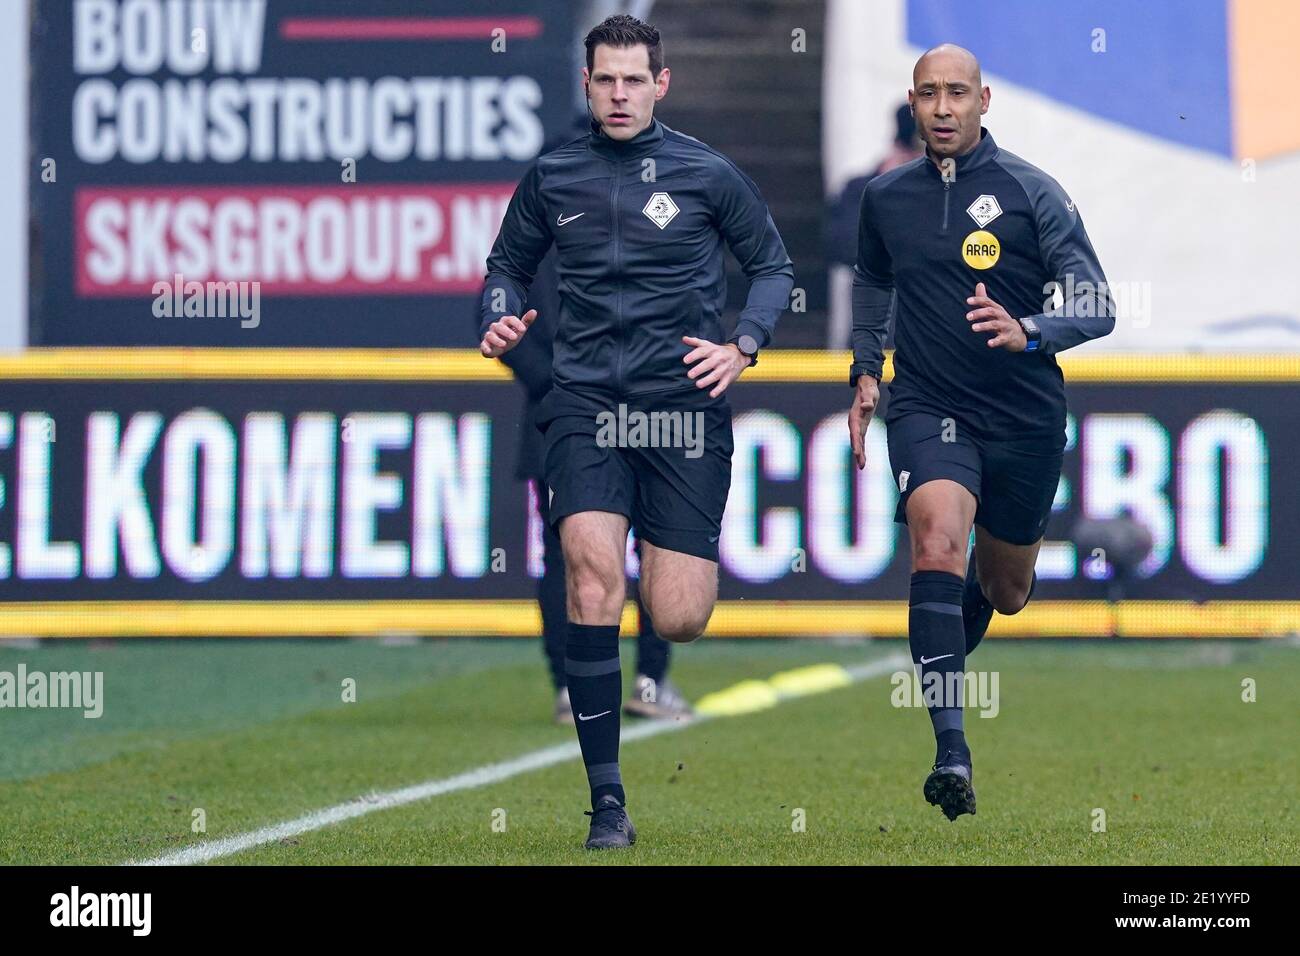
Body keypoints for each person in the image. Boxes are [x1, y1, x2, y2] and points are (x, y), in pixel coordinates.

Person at [479, 15, 793, 848]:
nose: (618, 94)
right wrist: (502, 315)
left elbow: (772, 266)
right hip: (586, 408)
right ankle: (607, 803)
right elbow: (506, 266)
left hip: (682, 411)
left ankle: (664, 623)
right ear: (586, 83)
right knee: (589, 580)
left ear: (662, 84)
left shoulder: (707, 173)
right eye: (604, 79)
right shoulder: (553, 175)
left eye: (633, 80)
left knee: (679, 612)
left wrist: (745, 345)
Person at [846, 45, 1113, 821]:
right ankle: (952, 751)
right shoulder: (886, 196)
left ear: (984, 99)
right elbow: (872, 280)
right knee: (935, 540)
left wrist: (1029, 327)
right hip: (930, 405)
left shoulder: (1033, 193)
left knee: (1007, 588)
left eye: (956, 93)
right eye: (929, 93)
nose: (942, 108)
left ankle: (950, 619)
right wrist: (866, 372)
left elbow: (1098, 305)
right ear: (913, 98)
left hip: (1024, 417)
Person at [492, 231, 694, 726]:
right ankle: (582, 685)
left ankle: (633, 682)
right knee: (576, 556)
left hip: (631, 419)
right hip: (573, 421)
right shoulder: (540, 249)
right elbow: (500, 329)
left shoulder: (624, 234)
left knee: (646, 549)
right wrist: (570, 385)